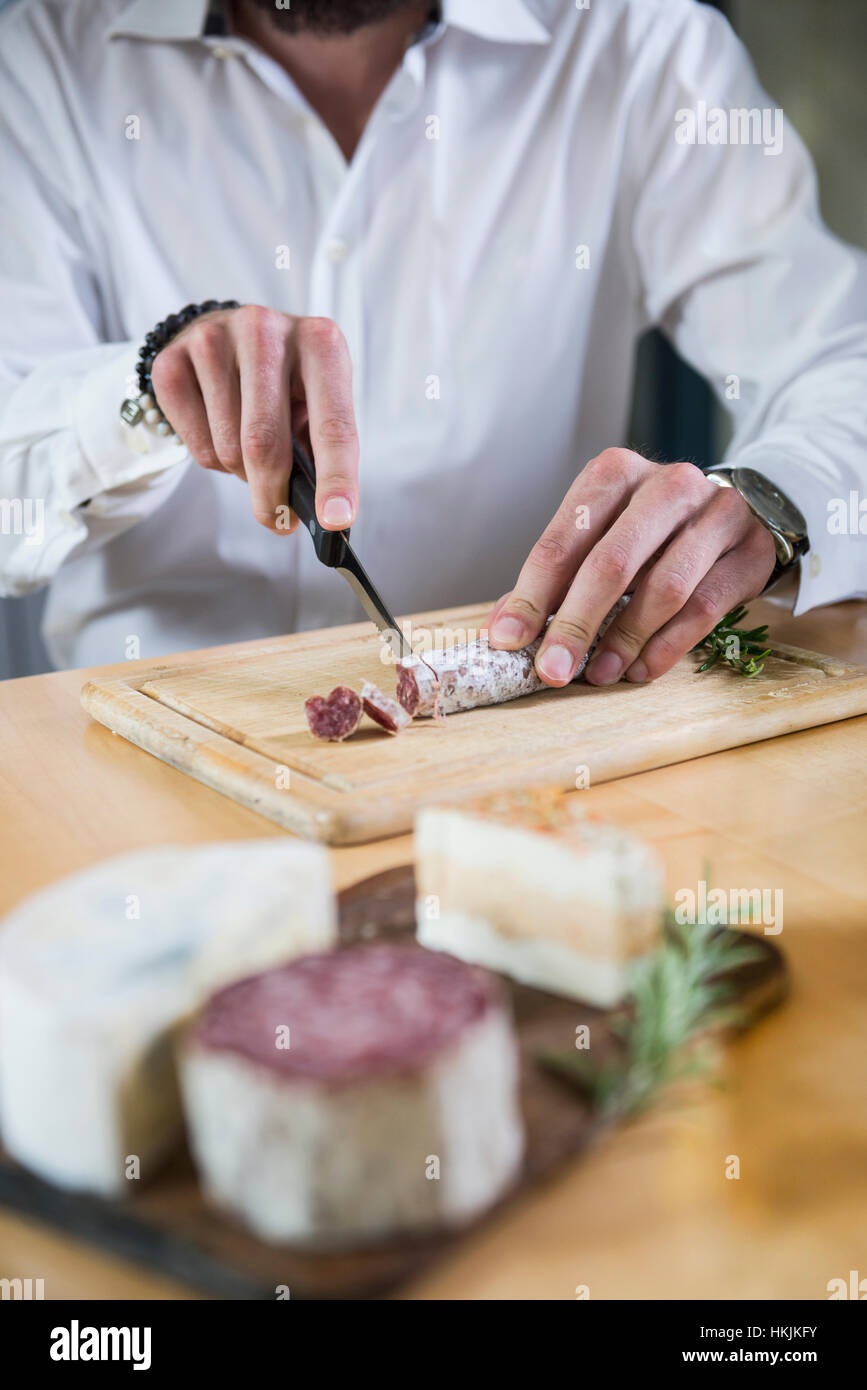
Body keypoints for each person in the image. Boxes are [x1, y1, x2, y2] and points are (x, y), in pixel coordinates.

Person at [1, 0, 864, 681]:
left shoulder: (644, 49)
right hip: (135, 775)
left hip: (530, 760)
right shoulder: (38, 64)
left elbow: (840, 355)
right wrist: (146, 395)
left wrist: (775, 502)